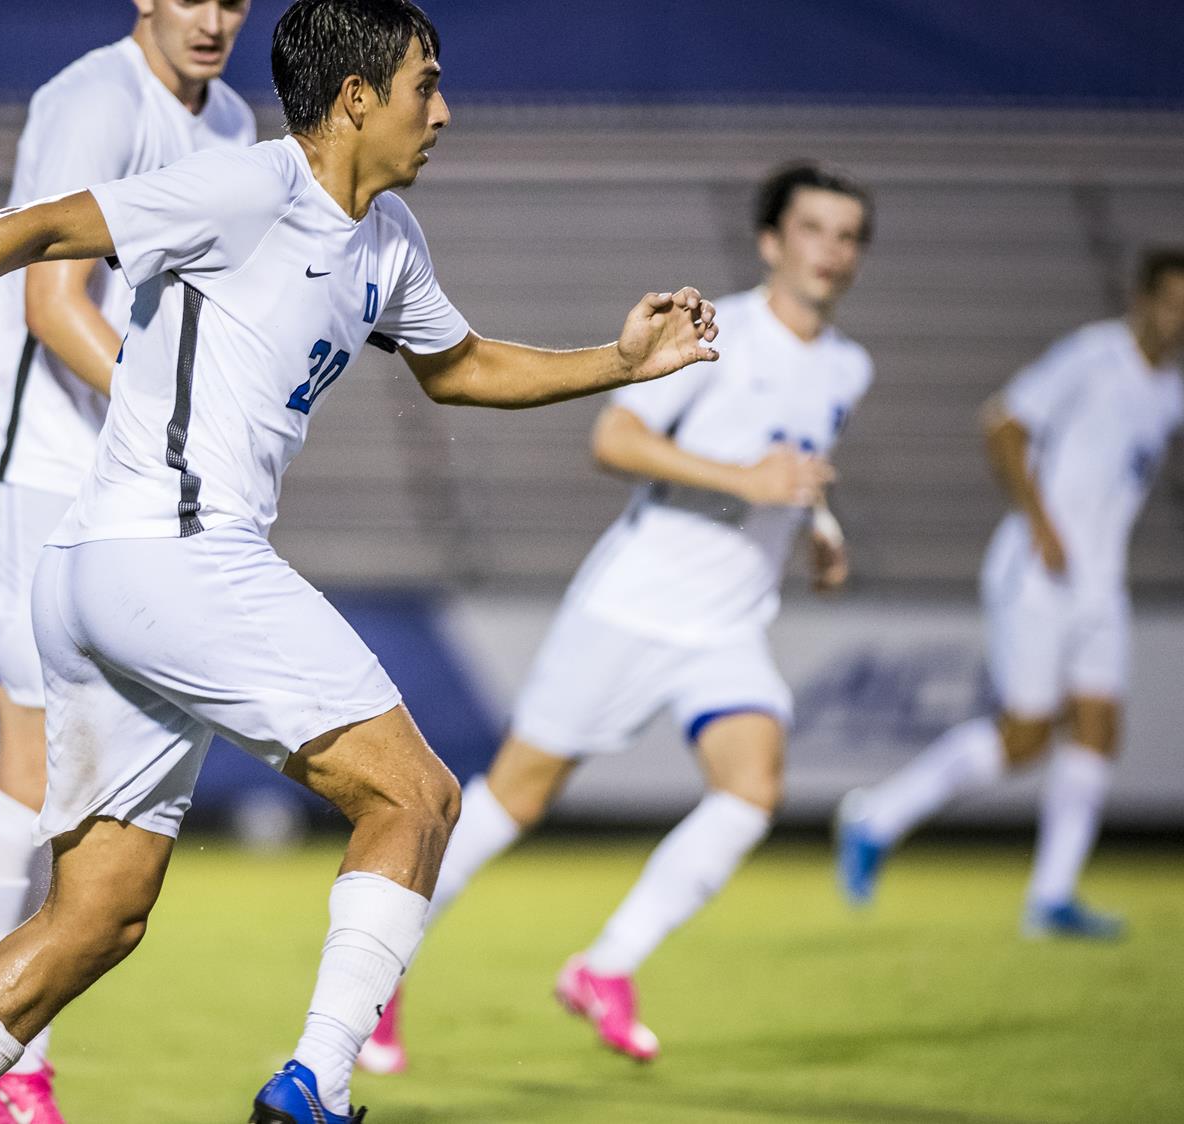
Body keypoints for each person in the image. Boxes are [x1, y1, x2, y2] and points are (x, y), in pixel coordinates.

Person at [0, 1, 716, 1118]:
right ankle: (314, 1082)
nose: (442, 112)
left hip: (101, 573)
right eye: (425, 86)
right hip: (171, 551)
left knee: (94, 918)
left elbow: (457, 370)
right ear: (355, 98)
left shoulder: (388, 241)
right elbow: (33, 230)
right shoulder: (244, 185)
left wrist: (616, 359)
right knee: (415, 797)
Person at [356, 161, 874, 1073]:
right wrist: (746, 481)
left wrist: (819, 531)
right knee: (513, 800)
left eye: (848, 236)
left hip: (728, 623)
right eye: (814, 230)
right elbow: (618, 438)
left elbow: (796, 464)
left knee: (753, 788)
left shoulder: (846, 366)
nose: (832, 251)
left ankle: (606, 967)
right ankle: (376, 975)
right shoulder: (725, 334)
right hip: (633, 606)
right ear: (770, 242)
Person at [0, 2, 253, 1119]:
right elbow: (48, 298)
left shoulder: (231, 127)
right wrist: (177, 421)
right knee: (34, 769)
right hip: (29, 467)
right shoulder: (91, 101)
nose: (214, 16)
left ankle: (5, 1065)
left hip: (113, 482)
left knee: (74, 784)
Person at [836, 247, 1184, 940]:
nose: (1178, 320)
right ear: (1142, 298)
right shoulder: (1094, 356)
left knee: (1098, 728)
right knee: (1026, 738)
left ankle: (1050, 898)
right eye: (1172, 302)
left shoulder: (1170, 388)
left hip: (1100, 580)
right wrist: (1042, 521)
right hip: (1038, 570)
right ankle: (878, 816)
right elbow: (1002, 422)